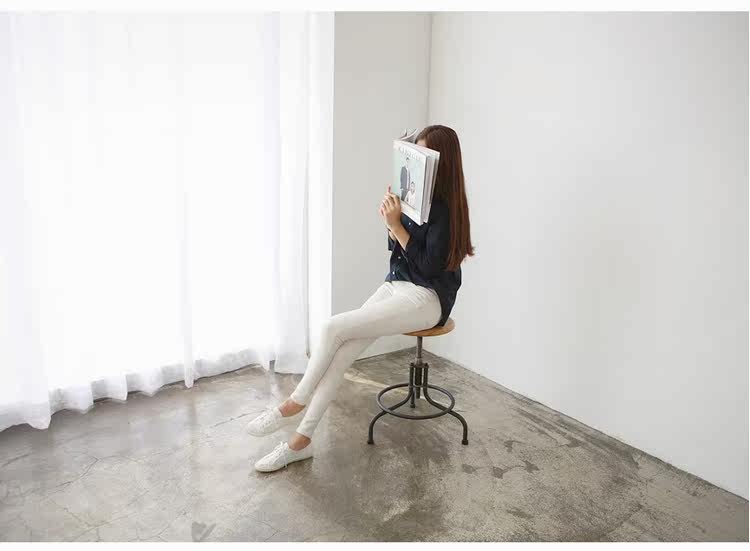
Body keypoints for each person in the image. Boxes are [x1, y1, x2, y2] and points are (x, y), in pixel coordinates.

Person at [247, 125, 474, 472]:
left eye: (425, 155)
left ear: (441, 164)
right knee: (341, 353)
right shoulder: (416, 197)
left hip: (427, 299)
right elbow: (399, 250)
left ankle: (294, 402)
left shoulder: (445, 207)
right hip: (398, 284)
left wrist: (396, 224)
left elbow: (429, 266)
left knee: (331, 328)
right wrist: (391, 219)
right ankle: (301, 442)